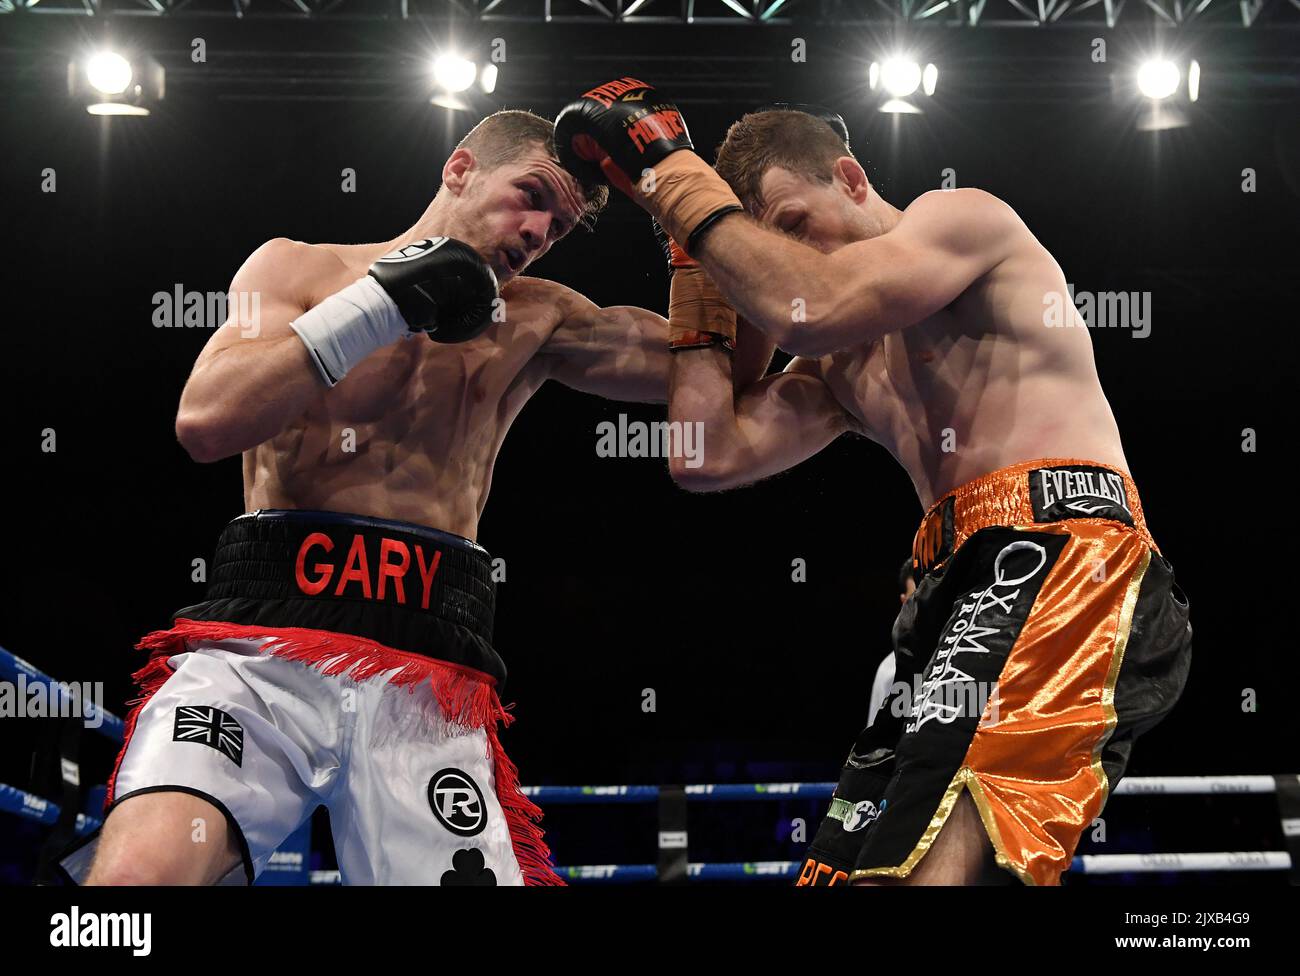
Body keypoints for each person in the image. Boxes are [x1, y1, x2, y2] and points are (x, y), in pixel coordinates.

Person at [57, 109, 761, 886]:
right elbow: (206, 420)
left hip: (427, 682)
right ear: (459, 168)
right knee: (135, 880)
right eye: (529, 196)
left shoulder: (538, 316)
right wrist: (379, 306)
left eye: (558, 226)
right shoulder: (296, 270)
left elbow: (730, 374)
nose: (536, 232)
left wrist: (694, 233)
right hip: (262, 654)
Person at [556, 83, 1193, 885]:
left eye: (794, 224)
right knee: (857, 869)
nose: (794, 251)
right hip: (944, 594)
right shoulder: (840, 367)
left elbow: (808, 304)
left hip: (1059, 550)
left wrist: (678, 178)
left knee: (939, 859)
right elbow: (703, 452)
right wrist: (697, 268)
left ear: (850, 180)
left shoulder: (962, 220)